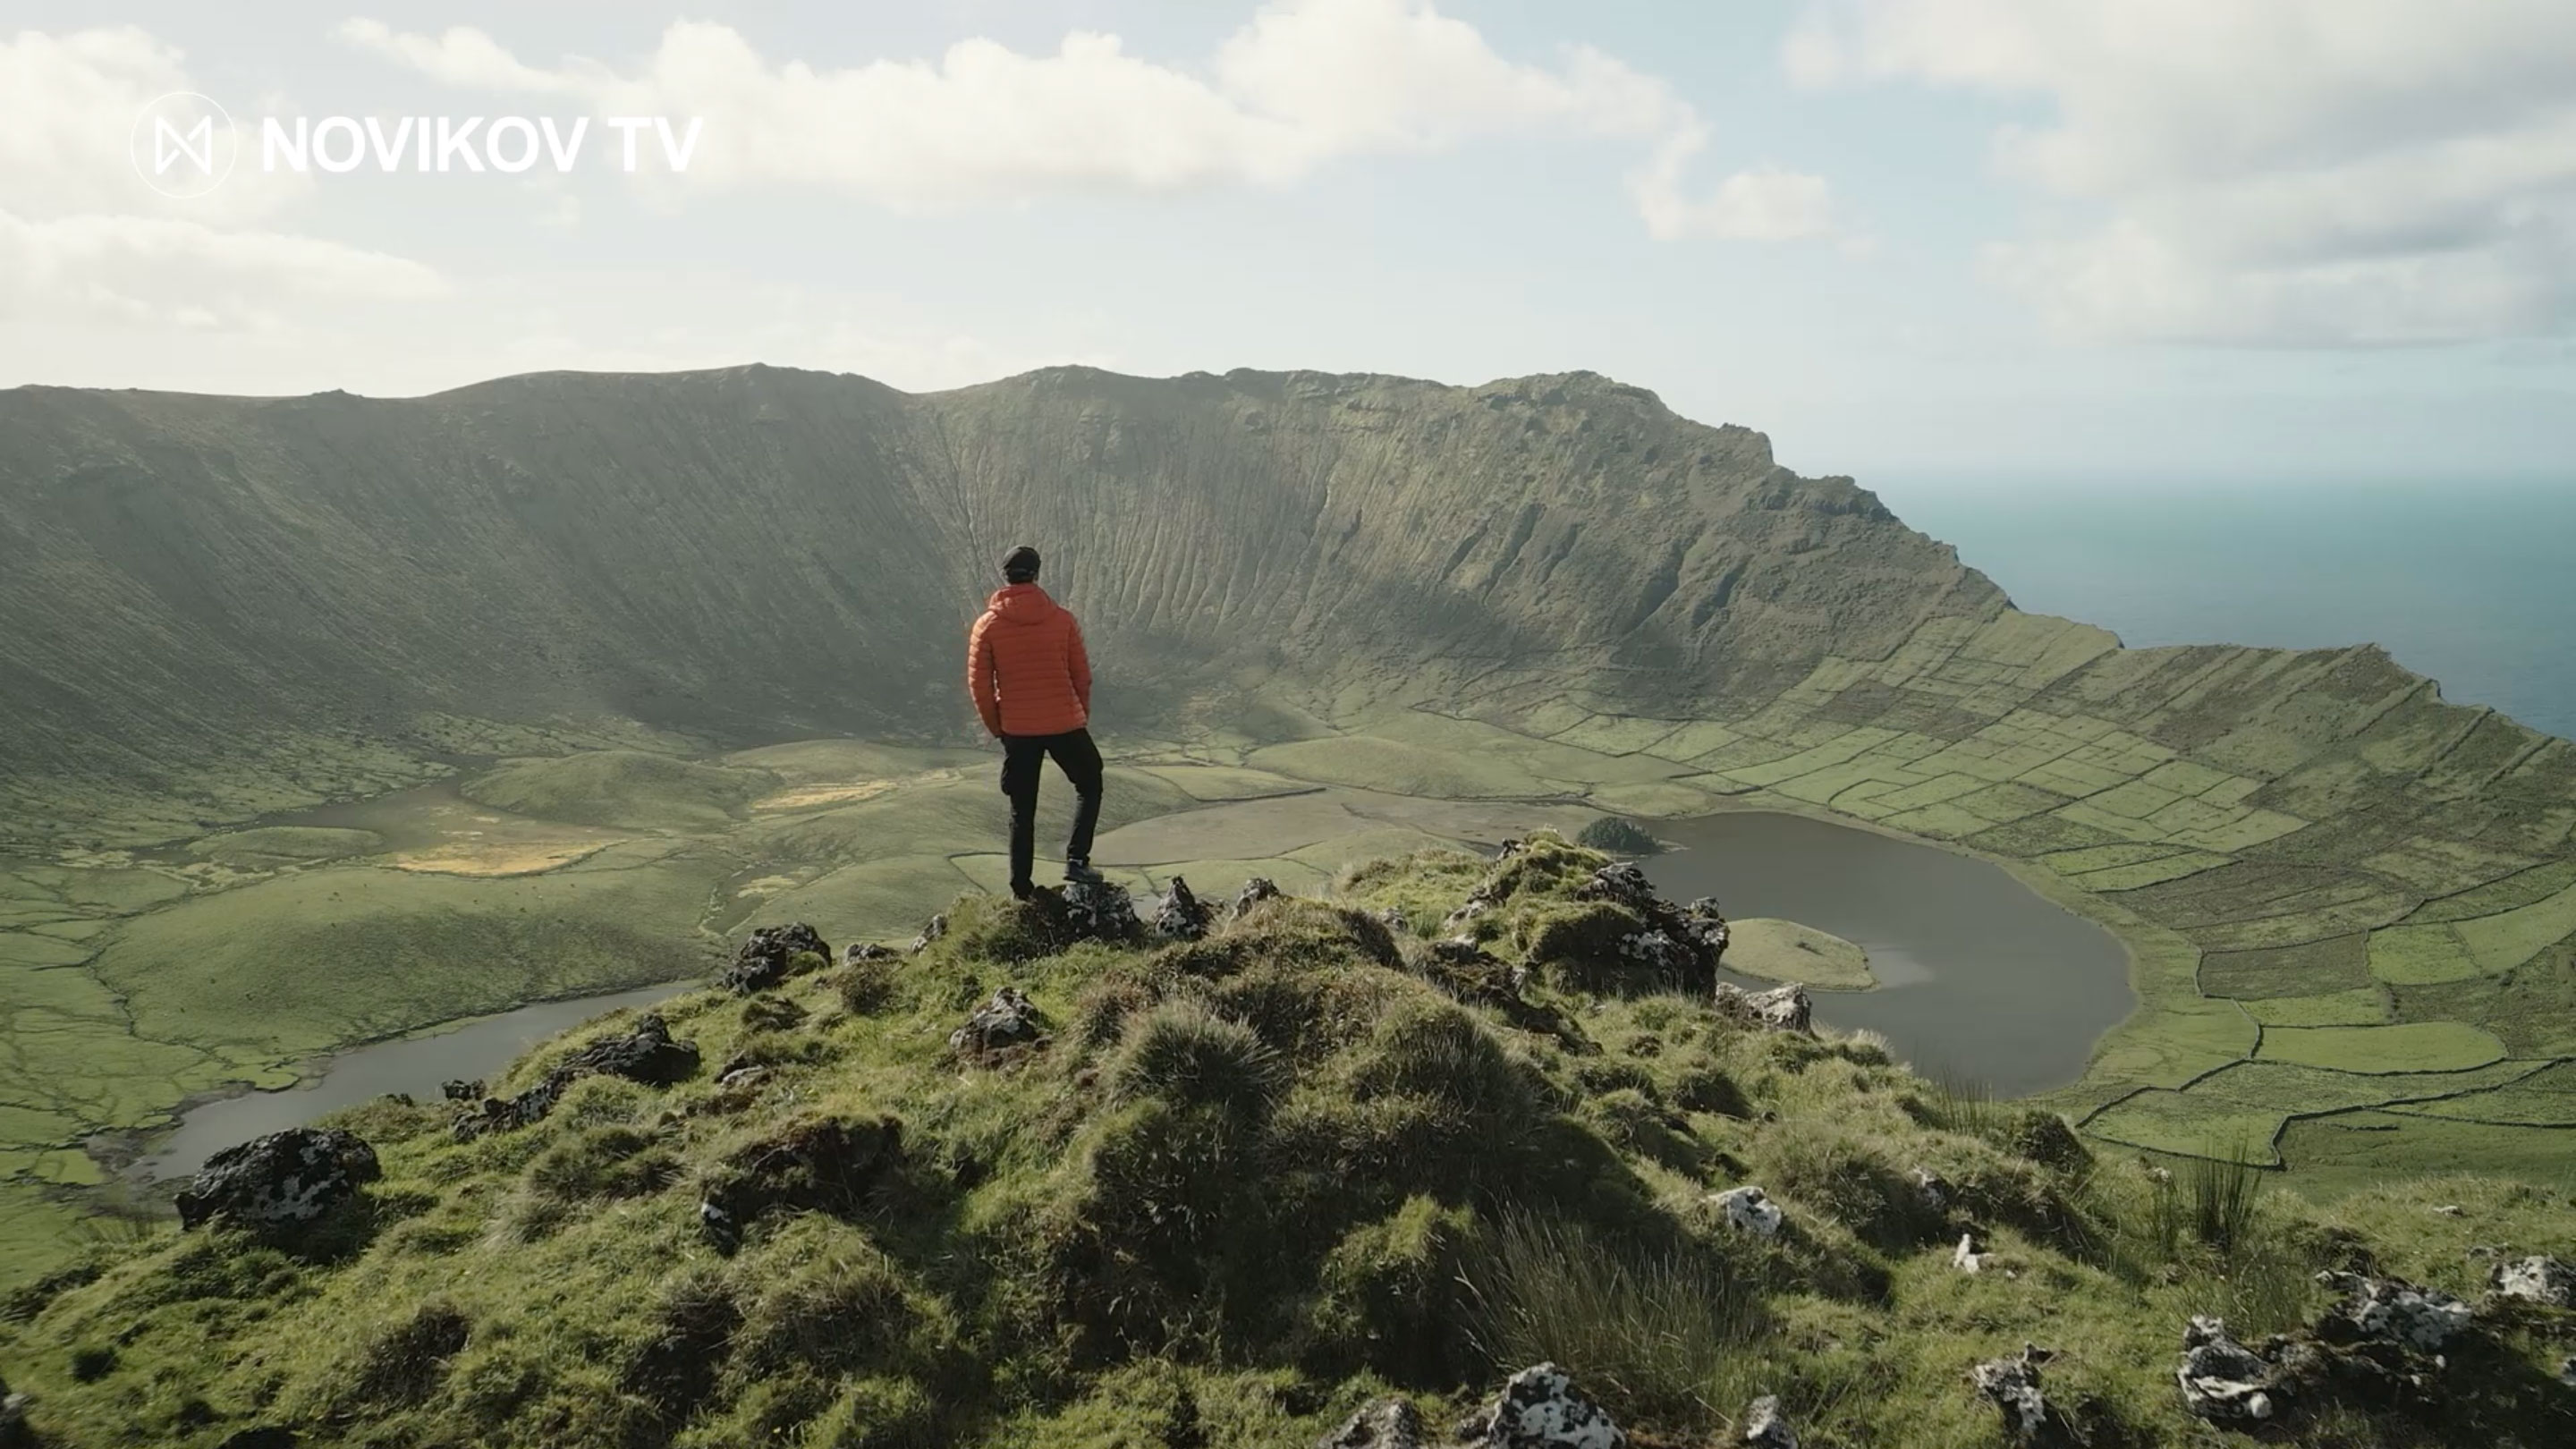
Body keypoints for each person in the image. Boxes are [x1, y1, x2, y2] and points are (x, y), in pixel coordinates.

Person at [966, 545, 1105, 899]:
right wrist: (1078, 716)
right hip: (1065, 724)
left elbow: (979, 686)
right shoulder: (1062, 620)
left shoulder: (988, 626)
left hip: (1018, 729)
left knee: (1021, 810)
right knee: (1089, 783)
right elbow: (1082, 678)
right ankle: (1076, 860)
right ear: (1037, 574)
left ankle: (1021, 890)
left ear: (1006, 577)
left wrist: (998, 727)